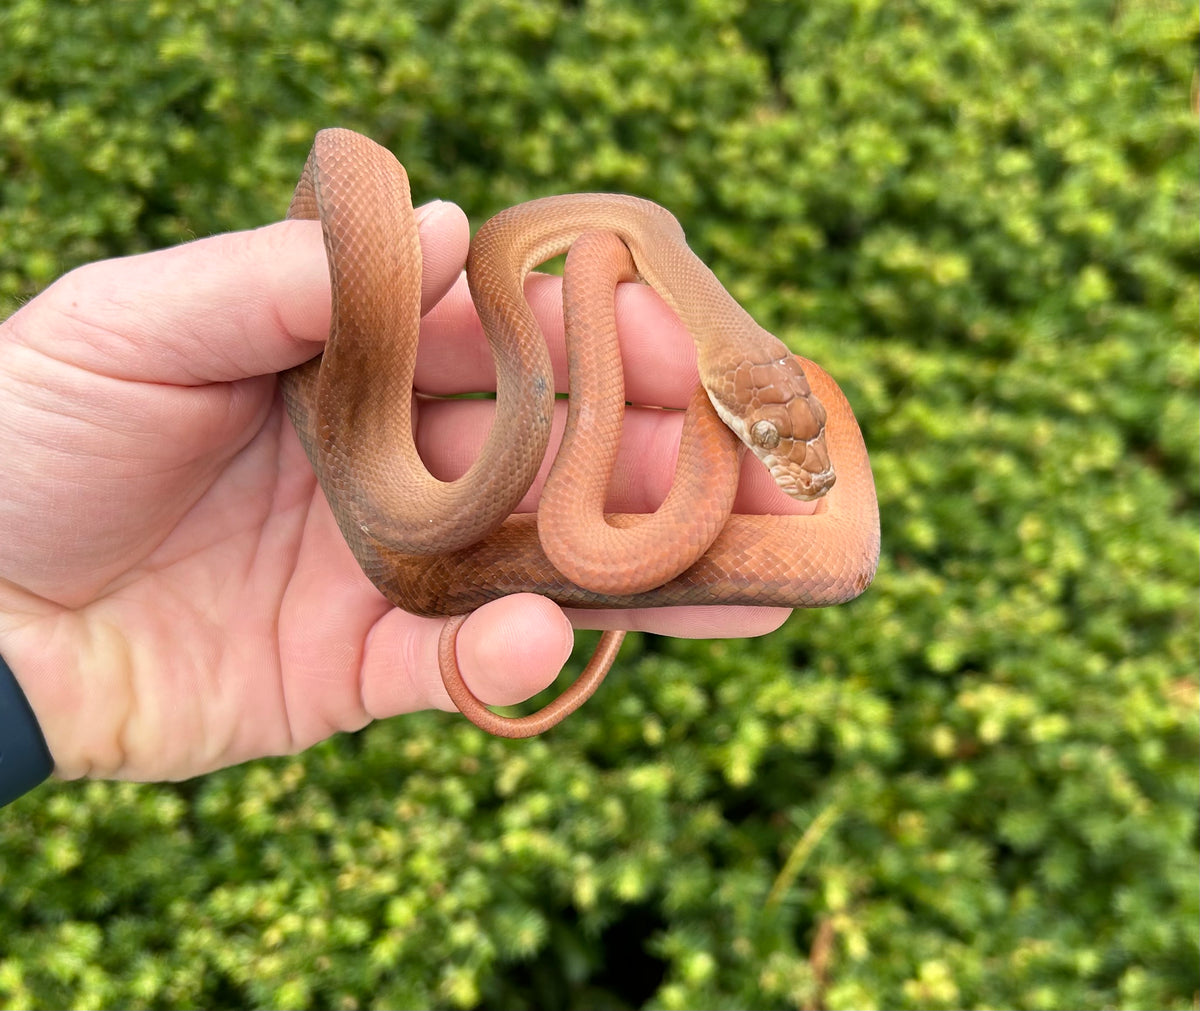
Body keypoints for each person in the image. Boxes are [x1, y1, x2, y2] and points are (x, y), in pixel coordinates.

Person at [0, 201, 802, 801]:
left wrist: (29, 689)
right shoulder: (593, 256)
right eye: (768, 437)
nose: (787, 460)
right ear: (732, 389)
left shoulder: (638, 245)